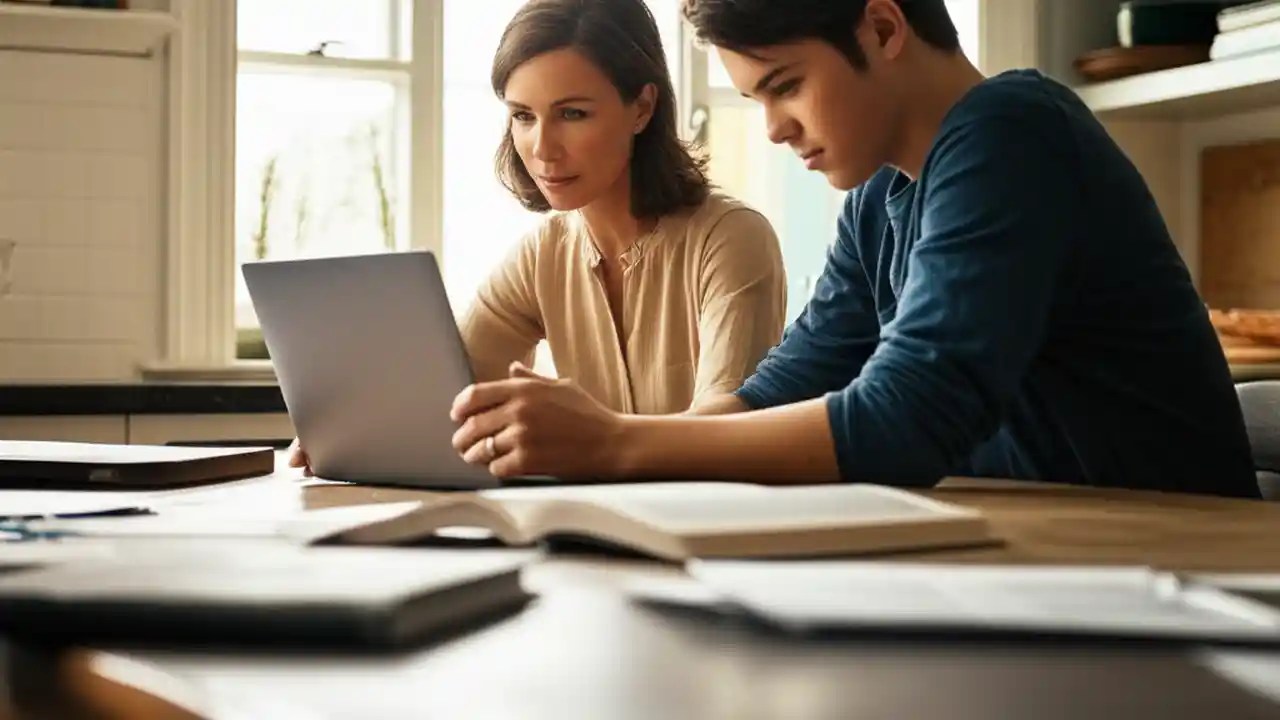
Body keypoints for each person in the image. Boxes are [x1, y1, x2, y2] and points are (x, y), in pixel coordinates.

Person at [448, 0, 1259, 498]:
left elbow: (904, 417)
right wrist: (614, 458)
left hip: (1171, 559)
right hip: (1052, 555)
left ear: (881, 26)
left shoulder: (1011, 131)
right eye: (754, 97)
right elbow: (777, 392)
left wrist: (617, 443)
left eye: (786, 84)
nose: (773, 127)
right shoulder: (881, 194)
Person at [290, 0, 786, 473]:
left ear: (642, 108)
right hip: (587, 533)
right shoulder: (541, 255)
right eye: (523, 116)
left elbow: (728, 429)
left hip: (707, 538)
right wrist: (355, 431)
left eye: (572, 113)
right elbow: (449, 400)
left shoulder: (731, 239)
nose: (542, 148)